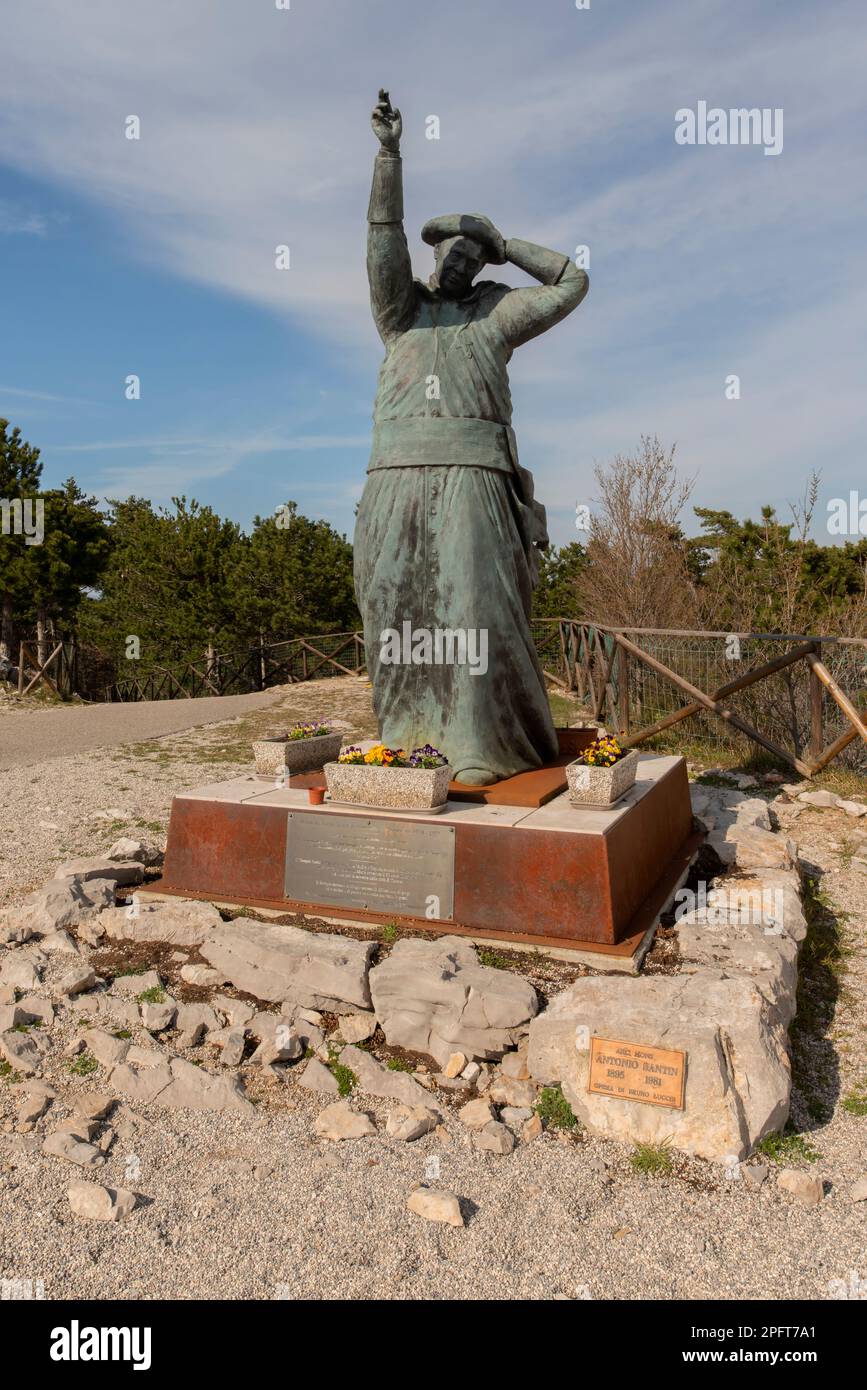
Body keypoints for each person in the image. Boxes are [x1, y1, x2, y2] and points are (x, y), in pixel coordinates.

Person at [355, 91, 589, 785]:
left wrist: (504, 240)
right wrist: (389, 157)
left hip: (472, 474)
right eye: (448, 250)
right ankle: (406, 737)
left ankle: (479, 743)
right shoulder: (402, 314)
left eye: (470, 253)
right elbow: (381, 239)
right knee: (393, 604)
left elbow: (572, 280)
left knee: (474, 607)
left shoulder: (493, 319)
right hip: (394, 472)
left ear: (482, 265)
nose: (455, 260)